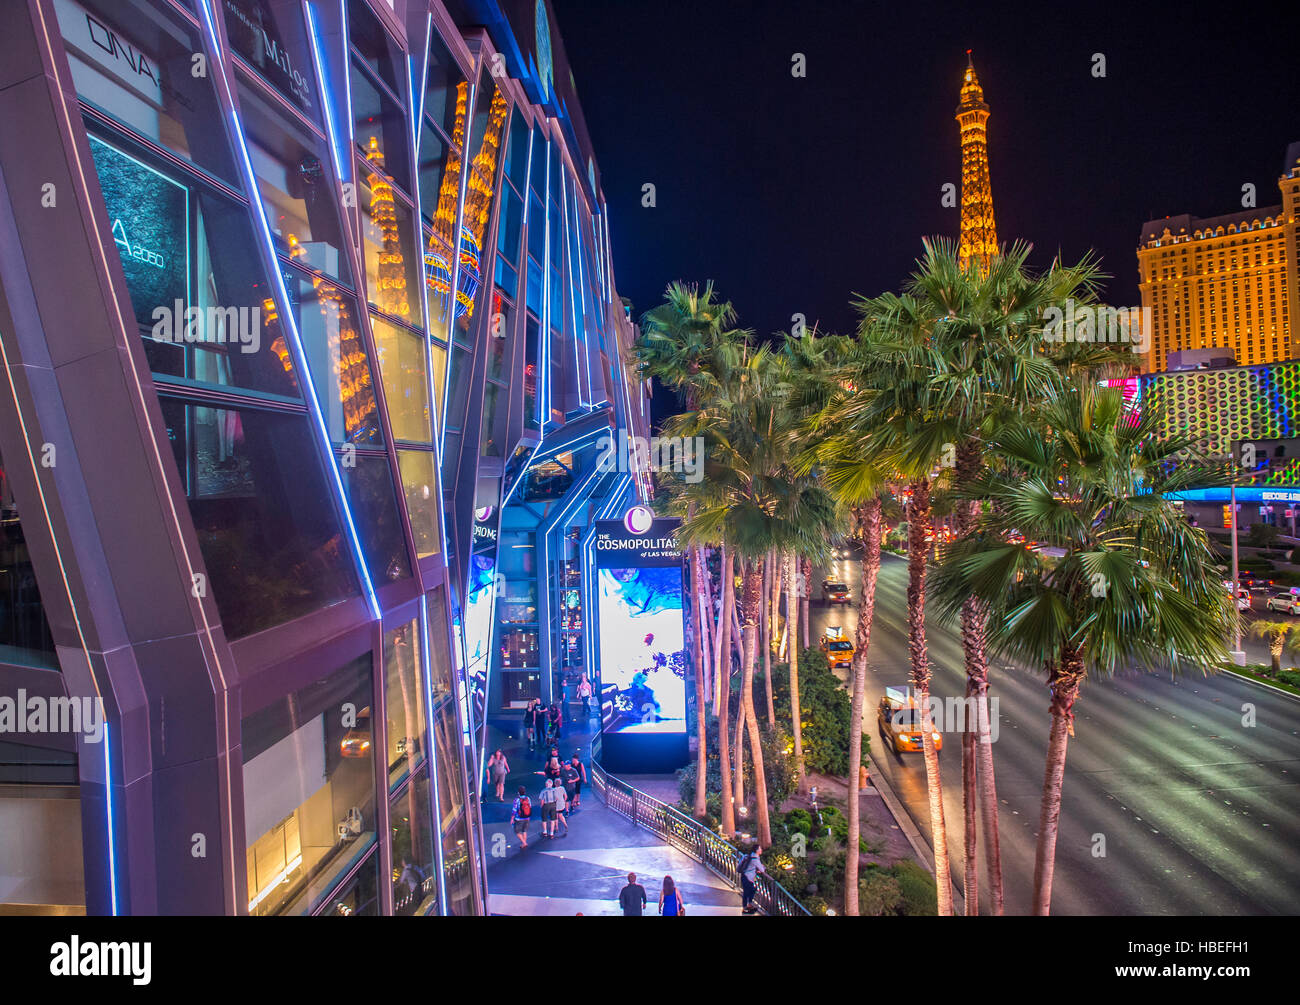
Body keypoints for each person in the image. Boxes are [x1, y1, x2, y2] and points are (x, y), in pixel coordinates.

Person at [738, 845, 765, 914]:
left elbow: (742, 864)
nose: (761, 849)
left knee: (749, 891)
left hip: (744, 876)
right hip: (748, 878)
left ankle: (749, 905)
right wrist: (762, 867)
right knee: (748, 892)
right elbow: (762, 870)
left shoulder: (747, 856)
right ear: (756, 850)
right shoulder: (755, 859)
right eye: (760, 848)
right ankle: (745, 908)